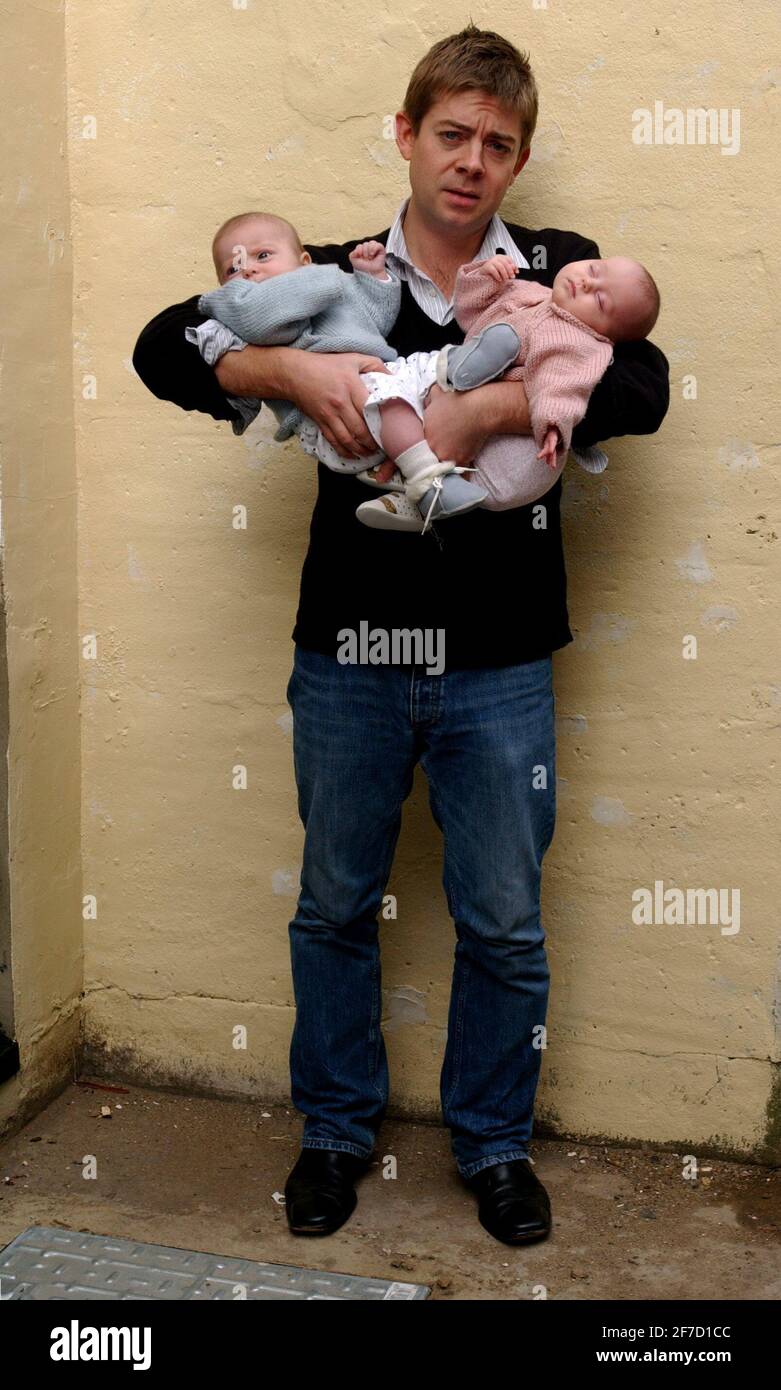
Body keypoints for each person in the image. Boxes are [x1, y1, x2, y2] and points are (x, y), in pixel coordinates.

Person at [132, 24, 670, 1246]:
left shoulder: (559, 271)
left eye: (497, 142)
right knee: (333, 905)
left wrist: (478, 400)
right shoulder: (329, 271)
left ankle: (490, 1148)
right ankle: (332, 1135)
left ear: (517, 159)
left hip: (500, 667)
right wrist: (284, 373)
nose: (471, 160)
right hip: (349, 659)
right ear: (405, 133)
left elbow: (645, 385)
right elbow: (163, 344)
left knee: (503, 922)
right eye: (450, 133)